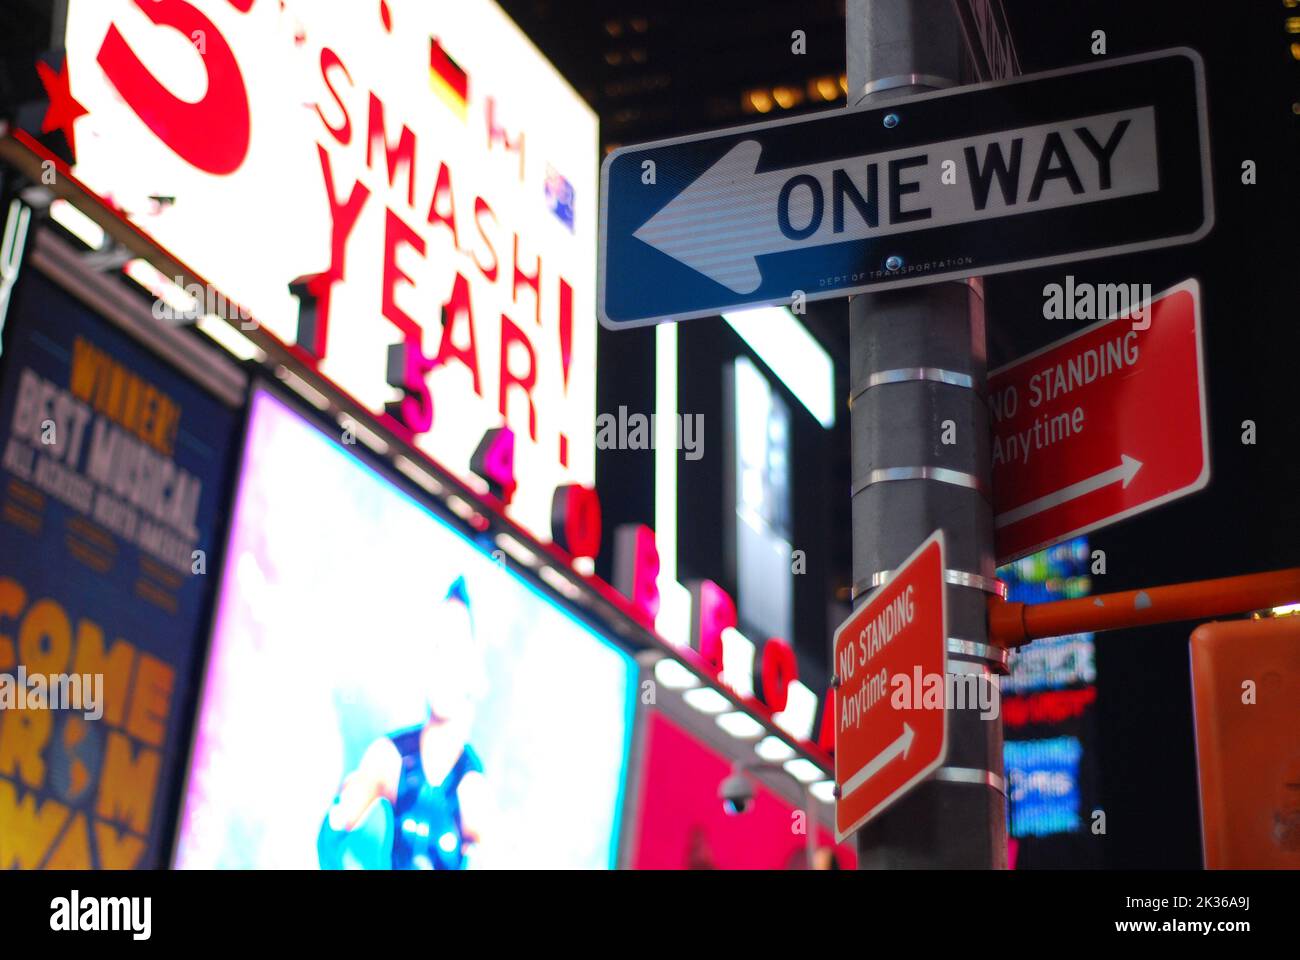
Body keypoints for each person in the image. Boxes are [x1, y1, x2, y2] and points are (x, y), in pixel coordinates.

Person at [318, 577, 491, 869]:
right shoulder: (388, 757)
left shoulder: (473, 788)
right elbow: (328, 842)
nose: (444, 666)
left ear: (472, 667)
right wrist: (340, 810)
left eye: (455, 652)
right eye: (437, 648)